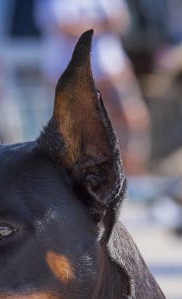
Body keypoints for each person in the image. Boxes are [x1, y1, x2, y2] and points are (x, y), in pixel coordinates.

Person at [35, 0, 150, 174]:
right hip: (72, 76)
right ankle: (83, 180)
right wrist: (102, 25)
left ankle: (130, 176)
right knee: (77, 132)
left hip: (112, 73)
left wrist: (89, 27)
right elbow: (64, 27)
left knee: (131, 121)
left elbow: (122, 21)